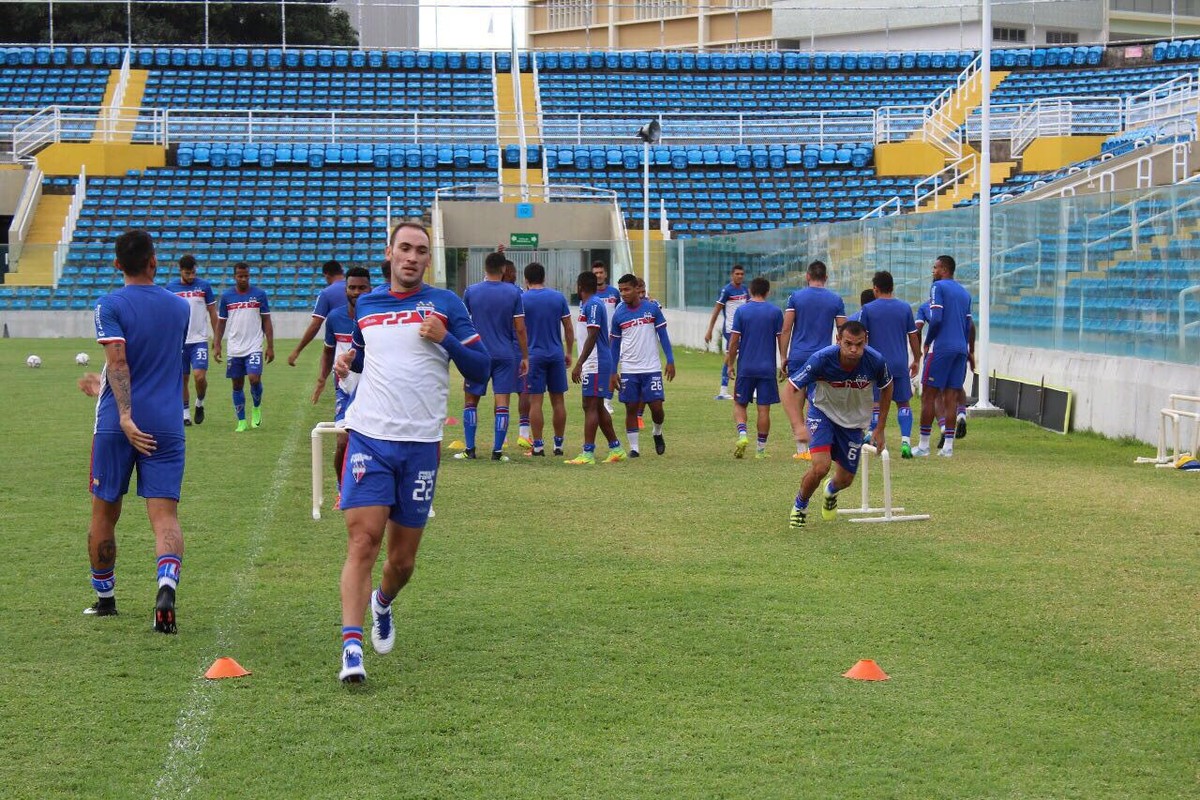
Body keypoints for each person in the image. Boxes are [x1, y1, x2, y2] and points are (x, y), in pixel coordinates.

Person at [331, 221, 489, 684]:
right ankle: (351, 649)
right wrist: (346, 361)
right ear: (390, 252)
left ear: (427, 259)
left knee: (401, 562)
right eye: (405, 248)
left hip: (420, 446)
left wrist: (446, 339)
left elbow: (481, 369)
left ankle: (383, 602)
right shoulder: (369, 303)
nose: (412, 257)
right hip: (369, 437)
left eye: (421, 250)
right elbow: (363, 354)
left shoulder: (447, 305)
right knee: (363, 540)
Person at [79, 230, 189, 632]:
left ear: (116, 265)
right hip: (165, 421)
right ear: (154, 261)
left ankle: (105, 598)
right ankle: (166, 587)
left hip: (115, 424)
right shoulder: (179, 308)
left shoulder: (109, 304)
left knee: (104, 512)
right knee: (165, 517)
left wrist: (124, 415)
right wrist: (105, 381)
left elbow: (120, 360)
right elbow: (154, 361)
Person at [786, 321, 893, 528]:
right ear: (838, 340)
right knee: (821, 466)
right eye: (848, 344)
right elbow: (790, 388)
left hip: (853, 423)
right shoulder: (821, 359)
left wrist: (880, 428)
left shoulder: (876, 361)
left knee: (845, 480)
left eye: (859, 344)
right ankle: (800, 506)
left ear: (866, 342)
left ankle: (831, 491)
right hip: (822, 413)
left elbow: (888, 387)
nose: (854, 349)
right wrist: (798, 425)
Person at [456, 251, 529, 461]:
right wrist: (525, 356)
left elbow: (463, 323)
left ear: (484, 269)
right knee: (503, 401)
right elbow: (521, 329)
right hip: (505, 354)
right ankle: (497, 452)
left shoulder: (471, 291)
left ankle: (470, 449)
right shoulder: (514, 292)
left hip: (478, 353)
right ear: (504, 269)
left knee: (470, 400)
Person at [312, 267, 372, 502]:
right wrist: (321, 380)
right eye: (352, 287)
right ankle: (341, 489)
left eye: (362, 287)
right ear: (345, 289)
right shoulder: (335, 318)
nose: (356, 292)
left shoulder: (375, 317)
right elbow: (328, 353)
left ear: (370, 288)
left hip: (373, 387)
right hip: (345, 388)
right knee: (343, 439)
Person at [780, 260, 847, 460]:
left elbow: (786, 328)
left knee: (797, 397)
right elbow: (843, 330)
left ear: (807, 276)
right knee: (816, 400)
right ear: (825, 278)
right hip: (823, 356)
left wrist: (783, 355)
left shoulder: (796, 297)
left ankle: (802, 449)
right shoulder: (836, 300)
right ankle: (816, 446)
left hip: (799, 354)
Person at [610, 273, 676, 458]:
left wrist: (670, 360)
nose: (623, 293)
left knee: (656, 407)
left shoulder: (652, 309)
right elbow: (614, 345)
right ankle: (634, 448)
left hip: (652, 368)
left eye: (627, 289)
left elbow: (663, 335)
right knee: (631, 407)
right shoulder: (619, 314)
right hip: (629, 369)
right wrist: (613, 371)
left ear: (637, 290)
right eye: (621, 290)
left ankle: (657, 431)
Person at [915, 255, 973, 457]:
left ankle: (923, 445)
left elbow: (937, 318)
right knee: (951, 397)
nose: (933, 271)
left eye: (935, 267)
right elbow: (968, 325)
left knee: (928, 396)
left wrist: (928, 341)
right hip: (960, 349)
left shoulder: (938, 288)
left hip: (942, 347)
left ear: (944, 269)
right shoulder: (965, 294)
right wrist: (967, 351)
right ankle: (948, 447)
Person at [859, 271, 921, 457]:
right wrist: (916, 359)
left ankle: (880, 443)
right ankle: (906, 443)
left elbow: (862, 337)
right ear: (893, 287)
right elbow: (913, 336)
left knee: (876, 403)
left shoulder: (868, 309)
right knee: (903, 403)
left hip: (877, 364)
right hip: (899, 363)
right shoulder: (904, 308)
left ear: (875, 289)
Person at [566, 270, 625, 465]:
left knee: (590, 404)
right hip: (595, 361)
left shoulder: (592, 305)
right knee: (595, 406)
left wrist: (579, 363)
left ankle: (588, 453)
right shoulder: (590, 304)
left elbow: (592, 336)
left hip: (596, 361)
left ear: (580, 286)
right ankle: (616, 448)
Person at [519, 261, 574, 457]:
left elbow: (519, 329)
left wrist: (522, 355)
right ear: (544, 278)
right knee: (558, 401)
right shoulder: (557, 297)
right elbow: (568, 327)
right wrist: (568, 352)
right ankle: (558, 445)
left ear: (526, 280)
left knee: (536, 402)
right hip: (555, 354)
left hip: (534, 356)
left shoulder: (522, 299)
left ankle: (539, 446)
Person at [725, 276, 783, 459]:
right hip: (767, 368)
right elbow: (781, 338)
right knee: (764, 409)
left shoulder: (742, 311)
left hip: (746, 367)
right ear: (768, 292)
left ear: (750, 291)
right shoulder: (775, 312)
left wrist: (730, 363)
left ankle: (742, 434)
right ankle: (760, 450)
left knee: (740, 403)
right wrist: (783, 360)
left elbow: (734, 341)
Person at [214, 262, 274, 432]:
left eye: (246, 275)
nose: (243, 279)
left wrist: (270, 346)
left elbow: (267, 321)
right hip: (234, 348)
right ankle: (241, 421)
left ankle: (256, 407)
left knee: (254, 378)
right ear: (235, 276)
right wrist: (217, 344)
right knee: (237, 385)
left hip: (254, 345)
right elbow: (221, 323)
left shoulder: (259, 295)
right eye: (240, 276)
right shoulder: (227, 297)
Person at [164, 254, 218, 426]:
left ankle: (200, 402)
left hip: (199, 340)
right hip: (179, 342)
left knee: (199, 377)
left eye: (193, 273)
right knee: (183, 379)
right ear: (180, 271)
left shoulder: (204, 286)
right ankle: (185, 414)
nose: (192, 276)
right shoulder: (171, 288)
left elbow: (212, 313)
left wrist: (216, 339)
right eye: (188, 273)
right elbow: (167, 315)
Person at [287, 260, 346, 366]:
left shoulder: (327, 293)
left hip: (341, 344)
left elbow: (315, 325)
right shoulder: (358, 288)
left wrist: (297, 350)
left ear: (326, 274)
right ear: (342, 272)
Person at [704, 265, 748, 400]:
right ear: (732, 275)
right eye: (737, 274)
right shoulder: (726, 290)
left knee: (737, 356)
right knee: (733, 357)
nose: (740, 276)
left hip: (745, 329)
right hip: (731, 329)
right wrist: (710, 329)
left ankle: (730, 390)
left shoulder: (745, 290)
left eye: (742, 274)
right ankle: (726, 390)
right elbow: (717, 310)